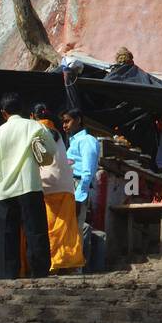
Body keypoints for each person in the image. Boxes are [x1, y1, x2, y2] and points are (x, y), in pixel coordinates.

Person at [0, 92, 55, 279]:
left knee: (8, 234)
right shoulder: (34, 126)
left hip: (4, 190)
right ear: (21, 109)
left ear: (3, 113)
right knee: (35, 230)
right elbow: (51, 152)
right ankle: (39, 272)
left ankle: (9, 274)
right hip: (29, 185)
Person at [31, 104, 84, 273]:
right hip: (66, 185)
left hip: (47, 184)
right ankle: (67, 263)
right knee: (66, 227)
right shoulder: (57, 134)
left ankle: (54, 263)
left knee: (50, 226)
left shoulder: (36, 131)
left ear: (32, 116)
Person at [62, 109, 102, 268]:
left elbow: (88, 171)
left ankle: (76, 267)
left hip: (78, 186)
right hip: (70, 185)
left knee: (77, 228)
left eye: (67, 121)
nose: (64, 125)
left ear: (78, 120)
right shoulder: (73, 142)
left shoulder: (87, 140)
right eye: (63, 122)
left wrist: (80, 196)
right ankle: (71, 264)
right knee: (70, 228)